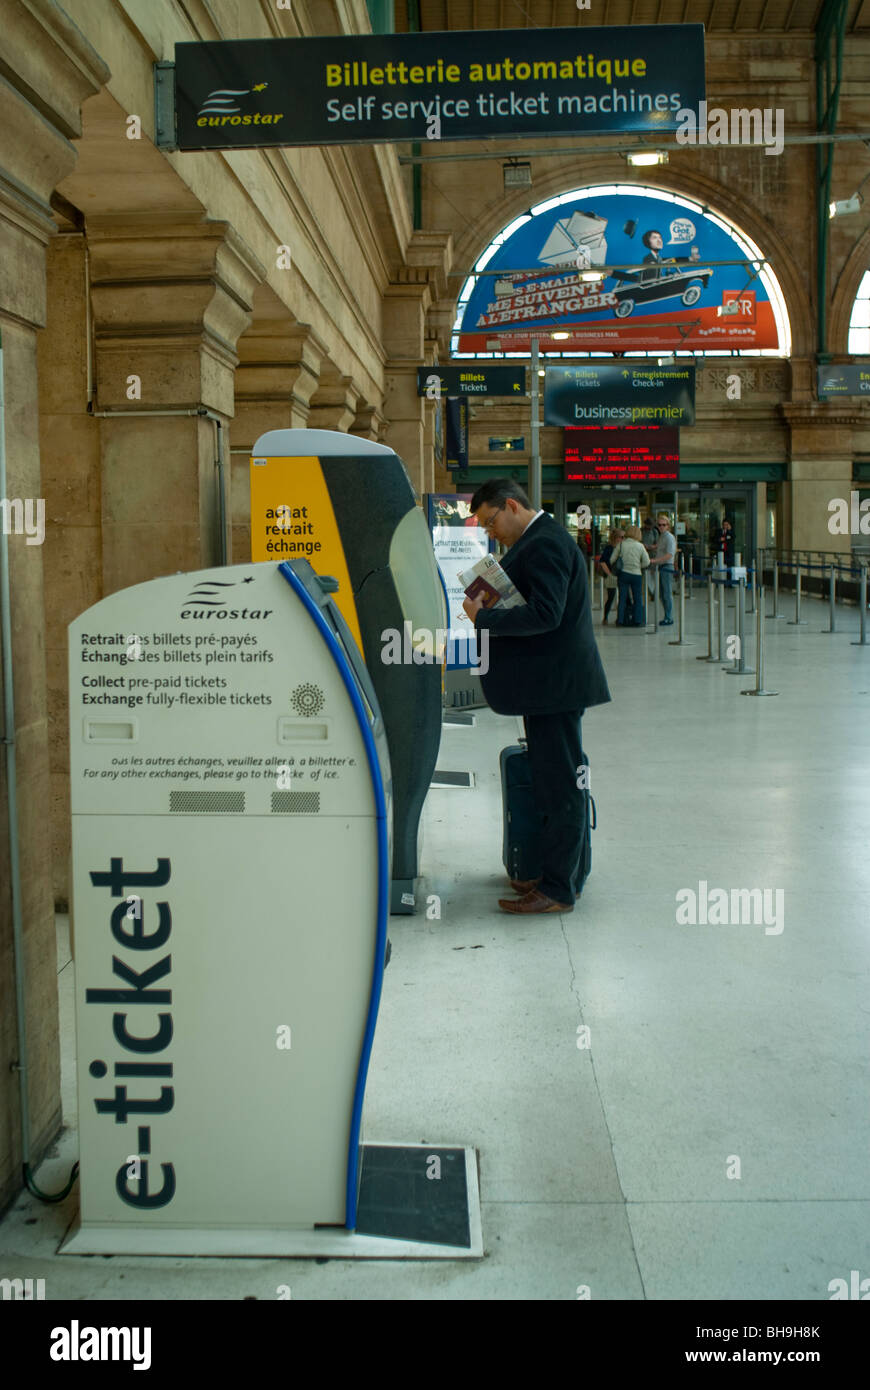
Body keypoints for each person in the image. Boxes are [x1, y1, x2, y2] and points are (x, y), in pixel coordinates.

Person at [462, 479, 611, 915]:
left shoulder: (546, 544)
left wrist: (485, 617)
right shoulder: (541, 540)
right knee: (554, 781)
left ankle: (559, 890)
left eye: (492, 521)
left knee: (561, 784)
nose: (492, 533)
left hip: (556, 686)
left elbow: (547, 613)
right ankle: (556, 873)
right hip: (548, 685)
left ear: (512, 505)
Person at [610, 525, 649, 627]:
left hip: (623, 574)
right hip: (636, 574)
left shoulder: (621, 545)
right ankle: (638, 620)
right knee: (637, 598)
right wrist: (638, 566)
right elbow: (647, 562)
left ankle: (621, 620)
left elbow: (611, 560)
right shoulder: (640, 546)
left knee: (622, 598)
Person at [649, 512, 677, 624]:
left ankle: (669, 617)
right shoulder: (662, 536)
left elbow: (670, 554)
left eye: (663, 525)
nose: (661, 527)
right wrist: (651, 547)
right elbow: (659, 547)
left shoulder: (669, 537)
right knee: (661, 593)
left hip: (666, 566)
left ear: (668, 525)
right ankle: (667, 615)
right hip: (661, 566)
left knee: (666, 593)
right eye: (659, 525)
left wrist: (655, 560)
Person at [597, 527, 622, 623]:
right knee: (611, 596)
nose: (623, 539)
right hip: (611, 575)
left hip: (620, 575)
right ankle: (605, 617)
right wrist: (609, 574)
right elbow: (603, 562)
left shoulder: (622, 548)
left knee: (623, 596)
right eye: (621, 537)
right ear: (616, 538)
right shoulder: (609, 548)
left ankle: (620, 617)